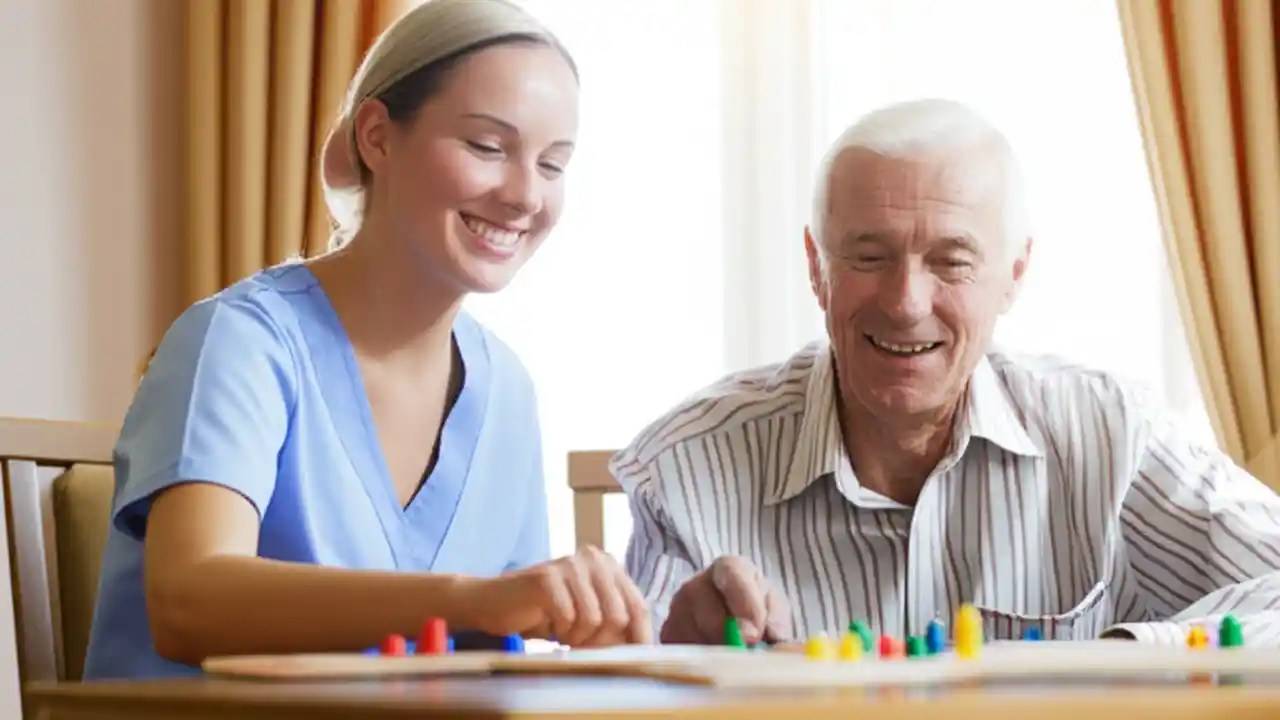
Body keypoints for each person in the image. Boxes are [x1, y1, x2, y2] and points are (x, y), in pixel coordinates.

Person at [84, 0, 650, 681]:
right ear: (378, 137)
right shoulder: (239, 343)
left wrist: (642, 625)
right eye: (488, 147)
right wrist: (472, 601)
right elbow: (186, 601)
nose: (526, 195)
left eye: (553, 165)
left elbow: (498, 654)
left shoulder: (506, 390)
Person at [613, 98, 1280, 648]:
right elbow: (634, 685)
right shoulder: (683, 466)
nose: (906, 303)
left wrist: (1126, 658)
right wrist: (679, 656)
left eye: (951, 262)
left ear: (1013, 274)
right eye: (869, 257)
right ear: (817, 268)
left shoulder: (1112, 433)